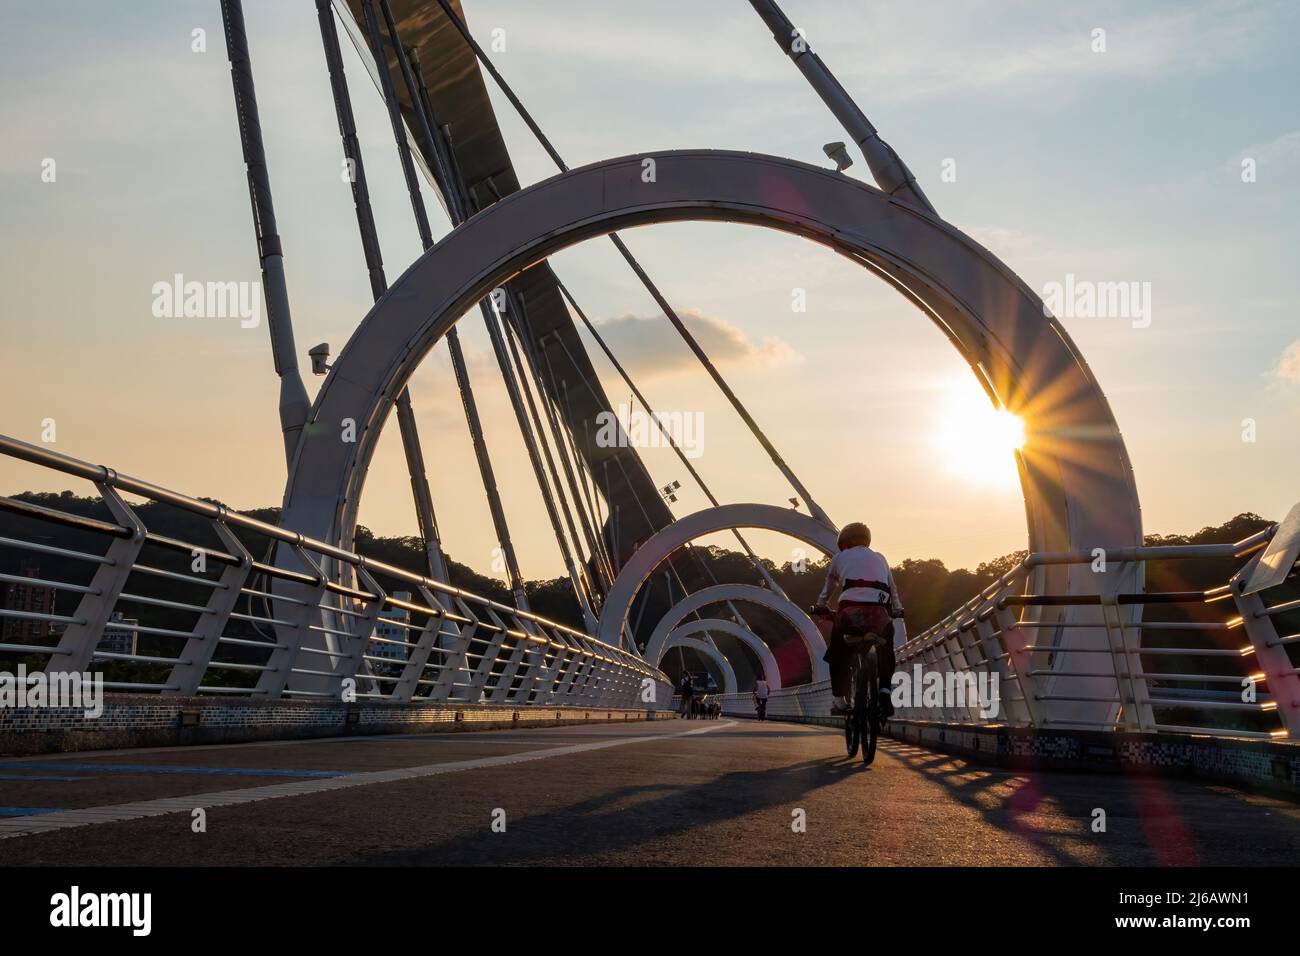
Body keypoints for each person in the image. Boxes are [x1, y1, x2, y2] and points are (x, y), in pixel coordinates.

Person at [812, 522, 902, 717]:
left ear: (847, 541)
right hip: (880, 613)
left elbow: (828, 590)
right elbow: (892, 589)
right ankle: (885, 691)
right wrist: (898, 609)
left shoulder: (840, 557)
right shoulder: (881, 558)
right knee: (886, 647)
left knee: (837, 651)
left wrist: (820, 607)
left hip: (849, 614)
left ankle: (839, 700)